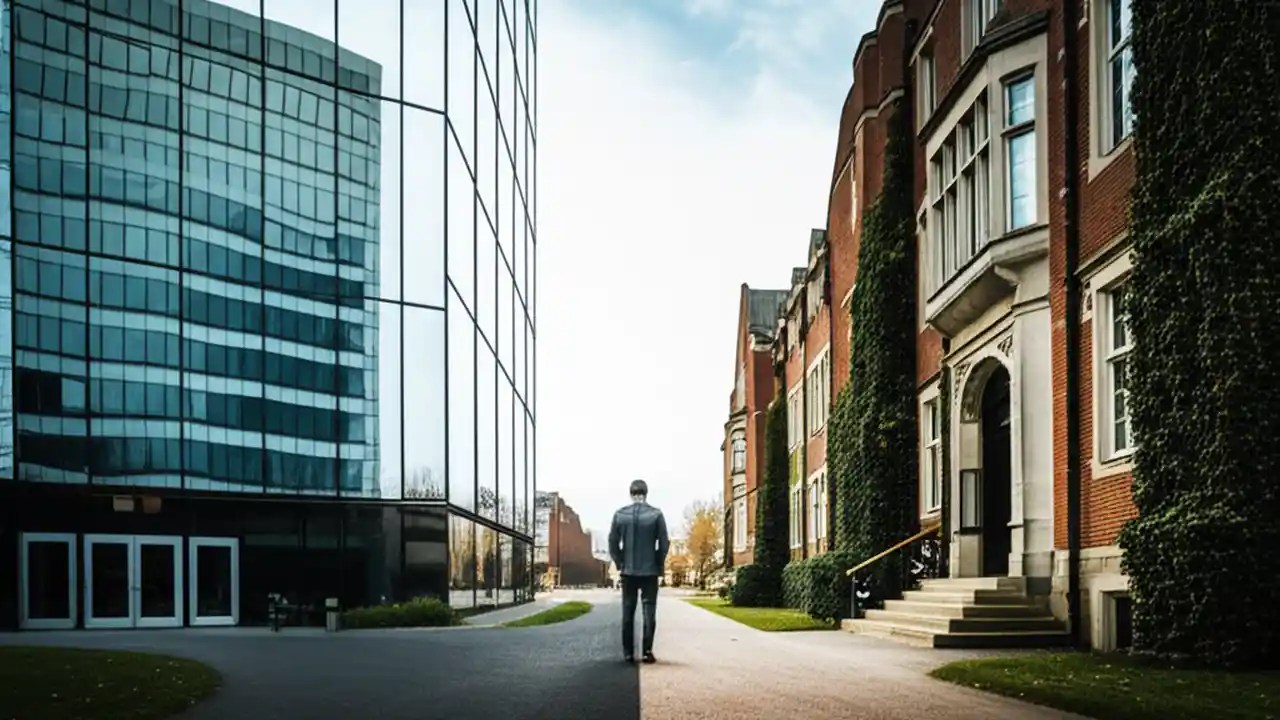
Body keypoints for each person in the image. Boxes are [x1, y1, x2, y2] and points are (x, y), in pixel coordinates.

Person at [608, 479, 669, 664]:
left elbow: (612, 542)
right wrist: (657, 563)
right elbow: (664, 543)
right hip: (649, 571)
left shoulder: (620, 515)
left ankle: (628, 653)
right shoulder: (656, 515)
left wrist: (620, 563)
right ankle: (647, 652)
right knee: (649, 612)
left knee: (628, 612)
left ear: (631, 493)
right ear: (646, 493)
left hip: (628, 572)